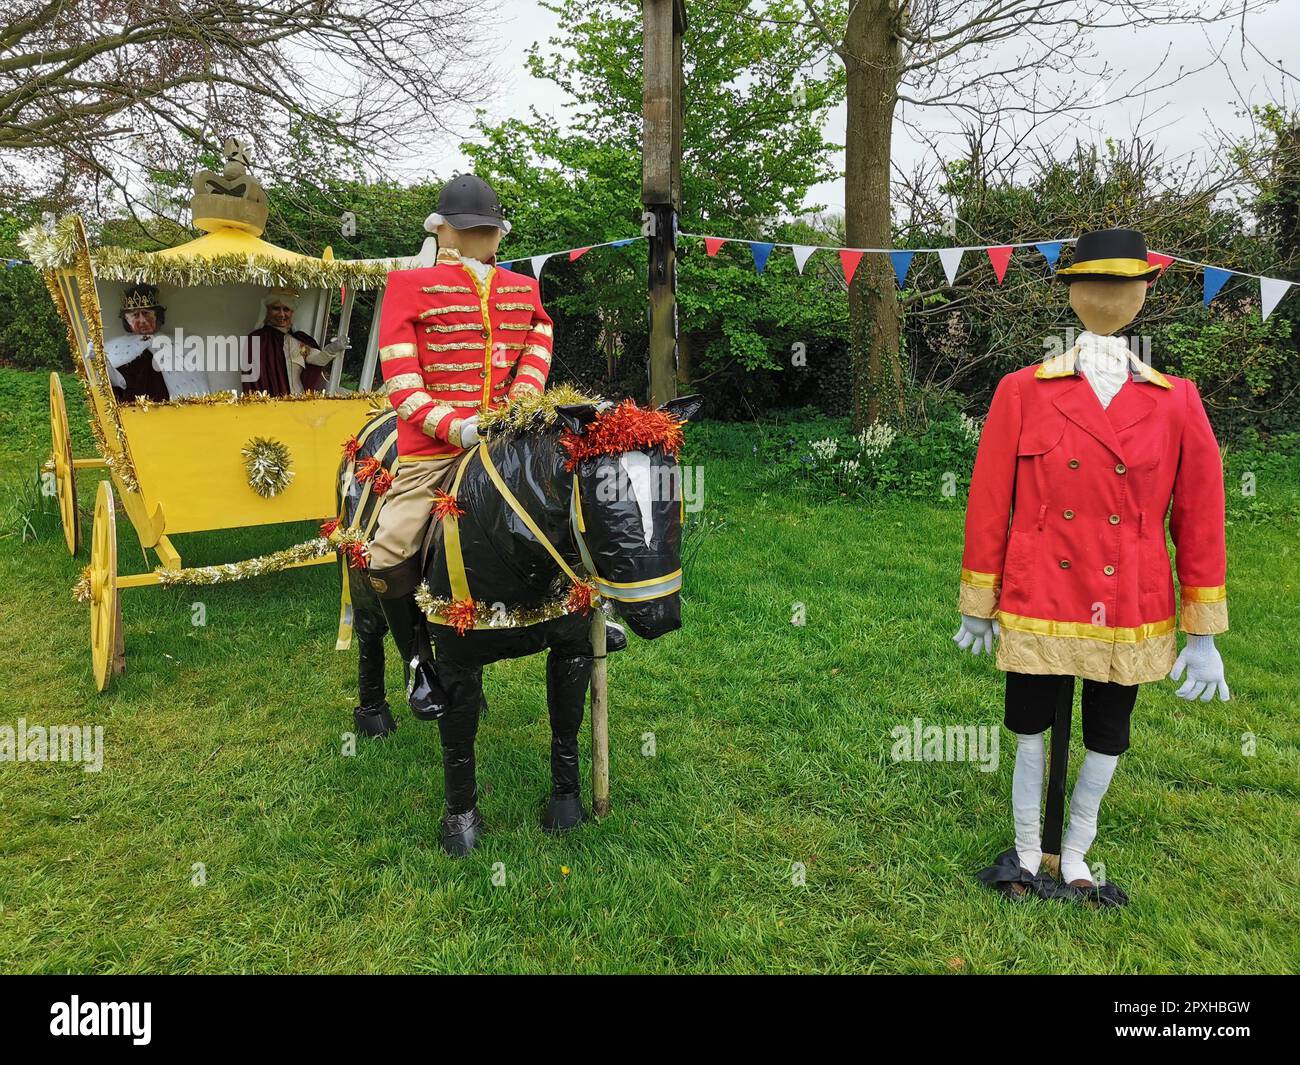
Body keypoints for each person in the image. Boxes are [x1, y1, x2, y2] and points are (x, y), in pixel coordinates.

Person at [955, 227, 1230, 899]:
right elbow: (991, 501)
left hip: (1131, 598)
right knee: (1027, 724)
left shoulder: (1177, 400)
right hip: (1038, 590)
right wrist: (978, 602)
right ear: (1074, 291)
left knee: (1109, 731)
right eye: (1096, 280)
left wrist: (1203, 632)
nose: (1109, 293)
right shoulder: (1023, 390)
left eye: (1122, 281)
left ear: (1142, 293)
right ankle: (1026, 847)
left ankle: (1076, 850)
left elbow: (1199, 516)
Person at [365, 173, 554, 723]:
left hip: (511, 432)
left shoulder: (524, 288)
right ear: (443, 230)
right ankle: (418, 661)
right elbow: (402, 380)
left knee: (569, 502)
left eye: (486, 231)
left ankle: (580, 613)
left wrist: (517, 406)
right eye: (470, 230)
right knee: (388, 551)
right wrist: (459, 428)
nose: (479, 240)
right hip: (434, 448)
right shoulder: (408, 286)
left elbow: (539, 341)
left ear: (499, 235)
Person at [104, 284, 199, 402]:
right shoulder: (117, 349)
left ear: (157, 316)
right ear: (127, 321)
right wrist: (101, 361)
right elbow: (118, 382)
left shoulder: (181, 345)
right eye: (135, 315)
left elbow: (193, 387)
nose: (142, 320)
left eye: (146, 313)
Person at [243, 290, 345, 396]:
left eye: (286, 309)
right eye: (276, 308)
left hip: (298, 401)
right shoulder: (258, 340)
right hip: (271, 404)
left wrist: (334, 348)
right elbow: (251, 380)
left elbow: (318, 359)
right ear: (268, 310)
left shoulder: (298, 341)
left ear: (292, 312)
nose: (281, 314)